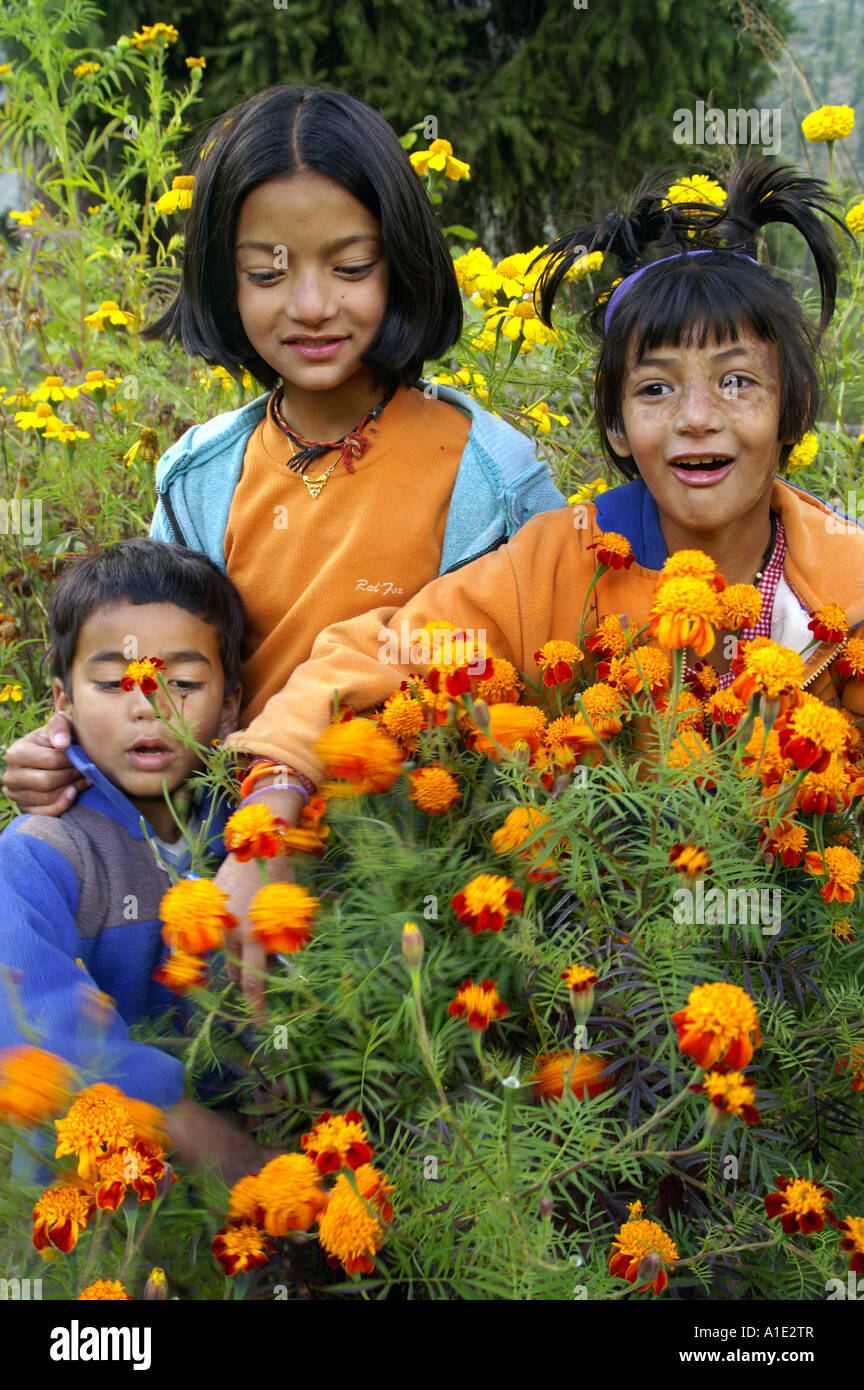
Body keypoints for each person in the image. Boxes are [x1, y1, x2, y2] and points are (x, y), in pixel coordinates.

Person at [1, 84, 564, 977]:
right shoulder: (199, 475)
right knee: (34, 861)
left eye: (349, 268)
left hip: (417, 870)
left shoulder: (489, 475)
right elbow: (153, 674)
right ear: (224, 281)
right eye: (267, 271)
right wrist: (64, 751)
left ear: (404, 264)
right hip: (225, 862)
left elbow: (540, 685)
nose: (309, 304)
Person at [194, 159, 864, 833]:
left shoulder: (844, 581)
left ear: (793, 408)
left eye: (738, 382)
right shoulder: (559, 568)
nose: (697, 416)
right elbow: (378, 652)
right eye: (655, 388)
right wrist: (278, 786)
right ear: (616, 426)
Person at [0, 538, 270, 1181]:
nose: (147, 705)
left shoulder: (250, 844)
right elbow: (32, 1019)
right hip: (93, 1206)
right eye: (112, 682)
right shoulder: (38, 855)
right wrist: (176, 1115)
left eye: (181, 682)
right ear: (62, 702)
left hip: (246, 1196)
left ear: (231, 702)